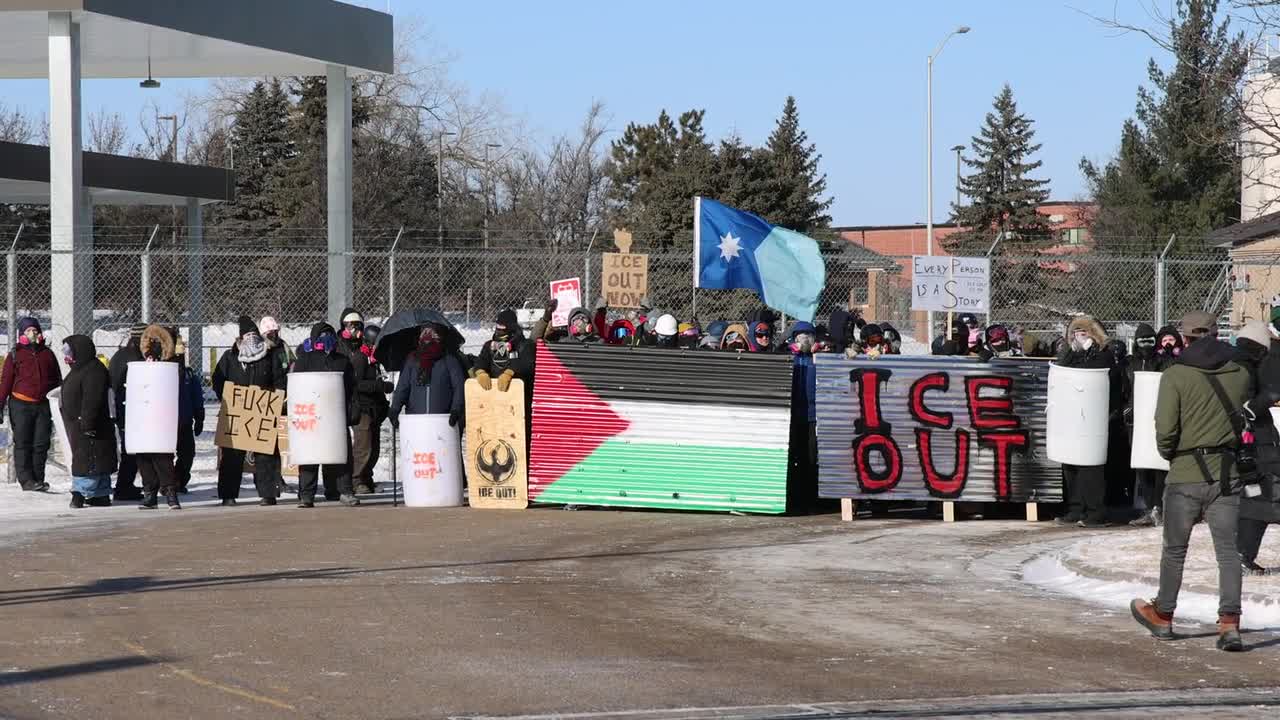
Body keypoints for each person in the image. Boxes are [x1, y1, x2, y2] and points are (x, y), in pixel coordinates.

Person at [1131, 311, 1248, 652]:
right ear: (1217, 334)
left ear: (1184, 339)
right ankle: (1230, 624)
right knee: (1228, 553)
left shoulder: (1176, 375)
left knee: (1175, 550)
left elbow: (1165, 430)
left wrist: (1172, 454)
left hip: (1184, 471)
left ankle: (1163, 615)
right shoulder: (1239, 373)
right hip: (1226, 473)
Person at [212, 316, 286, 506]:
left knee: (266, 452)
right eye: (247, 335)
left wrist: (274, 398)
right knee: (232, 454)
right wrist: (227, 397)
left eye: (254, 334)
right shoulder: (231, 356)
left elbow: (279, 379)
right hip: (238, 409)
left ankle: (268, 494)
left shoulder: (269, 355)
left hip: (263, 408)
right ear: (240, 337)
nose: (251, 338)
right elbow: (218, 379)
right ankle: (228, 494)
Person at [1054, 316, 1115, 528]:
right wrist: (1072, 350)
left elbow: (1098, 370)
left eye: (1084, 332)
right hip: (1072, 415)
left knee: (1091, 467)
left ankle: (1095, 511)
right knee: (1070, 464)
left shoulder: (1105, 353)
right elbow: (1062, 368)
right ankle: (1075, 508)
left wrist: (1091, 348)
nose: (1080, 336)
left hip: (1093, 416)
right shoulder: (1075, 354)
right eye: (1076, 332)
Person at [290, 322, 360, 508]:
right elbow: (297, 387)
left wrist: (353, 410)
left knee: (340, 455)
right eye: (322, 335)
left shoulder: (342, 361)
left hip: (335, 416)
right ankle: (306, 495)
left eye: (329, 334)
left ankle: (345, 491)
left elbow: (351, 389)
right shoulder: (304, 361)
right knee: (309, 458)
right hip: (311, 417)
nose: (326, 338)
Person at [1238, 317, 1280, 576]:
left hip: (1253, 443)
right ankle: (1242, 554)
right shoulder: (1249, 366)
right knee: (1262, 496)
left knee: (1256, 496)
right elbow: (1249, 405)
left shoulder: (1239, 363)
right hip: (1258, 442)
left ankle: (1242, 553)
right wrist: (1264, 401)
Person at [0, 317, 62, 492]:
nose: (33, 334)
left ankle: (38, 479)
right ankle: (26, 480)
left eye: (35, 331)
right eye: (28, 331)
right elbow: (5, 382)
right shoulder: (15, 355)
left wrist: (60, 399)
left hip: (42, 405)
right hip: (21, 404)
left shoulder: (47, 354)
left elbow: (57, 379)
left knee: (41, 443)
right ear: (22, 334)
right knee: (23, 442)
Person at [336, 308, 391, 496]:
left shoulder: (371, 358)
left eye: (358, 326)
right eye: (350, 326)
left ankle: (367, 477)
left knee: (374, 448)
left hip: (374, 407)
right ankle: (356, 479)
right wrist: (379, 386)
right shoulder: (359, 358)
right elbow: (357, 383)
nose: (354, 330)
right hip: (362, 406)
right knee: (363, 447)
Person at [60, 335, 118, 509]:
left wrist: (87, 423)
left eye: (69, 351)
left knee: (89, 459)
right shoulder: (81, 368)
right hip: (82, 424)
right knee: (92, 458)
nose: (67, 355)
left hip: (91, 425)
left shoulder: (94, 371)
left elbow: (92, 400)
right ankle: (99, 494)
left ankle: (80, 492)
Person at [1127, 323, 1170, 527]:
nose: (1146, 344)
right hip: (1136, 421)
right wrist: (1127, 408)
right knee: (1142, 466)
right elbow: (1124, 388)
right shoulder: (1130, 363)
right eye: (1142, 340)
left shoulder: (1162, 361)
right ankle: (1148, 507)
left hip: (1156, 417)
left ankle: (1158, 507)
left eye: (1150, 341)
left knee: (1159, 465)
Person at [134, 325, 181, 510]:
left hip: (162, 416)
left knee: (163, 456)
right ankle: (150, 494)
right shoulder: (137, 363)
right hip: (143, 416)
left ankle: (170, 493)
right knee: (144, 456)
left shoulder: (172, 364)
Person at [389, 325, 467, 429]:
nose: (428, 336)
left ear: (439, 337)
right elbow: (403, 387)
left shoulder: (449, 360)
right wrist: (395, 409)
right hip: (416, 421)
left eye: (432, 333)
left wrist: (456, 410)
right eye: (424, 332)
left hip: (444, 421)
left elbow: (459, 387)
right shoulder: (412, 360)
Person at [107, 323, 146, 501]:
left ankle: (126, 484)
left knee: (131, 449)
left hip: (124, 407)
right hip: (128, 409)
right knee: (131, 450)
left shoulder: (123, 354)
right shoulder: (133, 358)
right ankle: (124, 486)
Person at [787, 321, 819, 513]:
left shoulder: (817, 358)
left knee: (811, 457)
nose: (805, 340)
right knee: (794, 456)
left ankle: (810, 497)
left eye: (809, 336)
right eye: (801, 336)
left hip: (812, 416)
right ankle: (794, 496)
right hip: (792, 414)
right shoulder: (791, 357)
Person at [169, 327, 204, 495]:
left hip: (184, 421)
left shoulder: (189, 375)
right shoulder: (161, 371)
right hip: (166, 422)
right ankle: (167, 483)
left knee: (187, 454)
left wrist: (200, 417)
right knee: (164, 456)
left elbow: (197, 396)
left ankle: (179, 480)